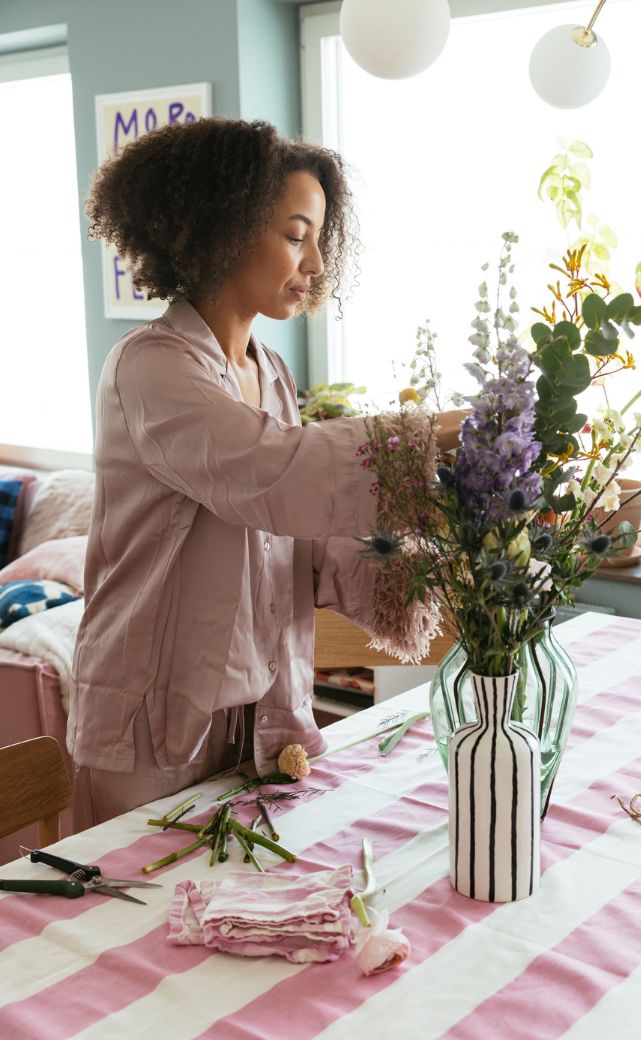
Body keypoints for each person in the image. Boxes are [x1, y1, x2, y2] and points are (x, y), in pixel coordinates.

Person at [67, 117, 463, 829]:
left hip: (250, 721)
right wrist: (430, 441)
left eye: (318, 238)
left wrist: (419, 578)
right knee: (140, 923)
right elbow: (267, 475)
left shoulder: (270, 374)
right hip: (150, 722)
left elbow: (295, 541)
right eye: (294, 234)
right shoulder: (152, 366)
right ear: (221, 230)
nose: (316, 262)